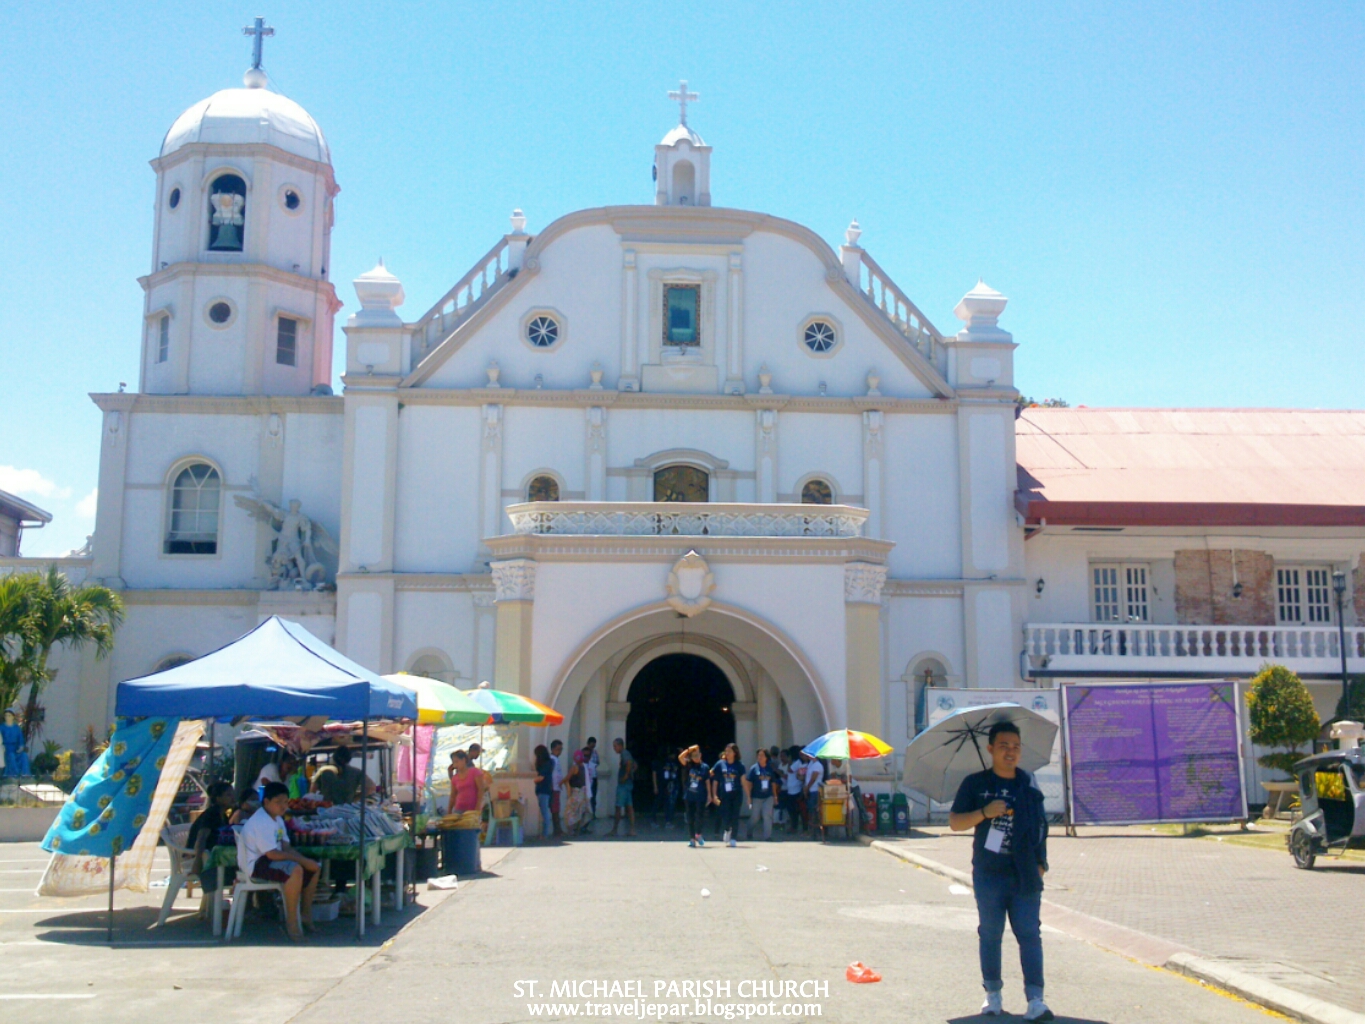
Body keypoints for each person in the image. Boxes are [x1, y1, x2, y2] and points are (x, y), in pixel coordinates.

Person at [949, 721, 1052, 1021]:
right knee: (991, 934)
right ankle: (992, 996)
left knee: (1030, 934)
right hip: (989, 874)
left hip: (1025, 873)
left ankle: (1036, 1000)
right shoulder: (975, 784)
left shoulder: (1028, 783)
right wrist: (984, 812)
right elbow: (955, 822)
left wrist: (1041, 863)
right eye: (1004, 746)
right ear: (991, 748)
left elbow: (1041, 827)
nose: (1011, 752)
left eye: (1016, 747)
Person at [241, 781, 319, 941]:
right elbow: (272, 854)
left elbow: (285, 846)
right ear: (266, 802)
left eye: (285, 802)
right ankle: (292, 923)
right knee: (295, 869)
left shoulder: (277, 819)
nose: (283, 806)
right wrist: (301, 861)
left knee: (315, 866)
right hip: (258, 864)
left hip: (271, 859)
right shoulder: (262, 820)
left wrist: (306, 861)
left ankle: (305, 914)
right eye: (278, 802)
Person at [189, 781, 237, 922]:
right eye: (228, 795)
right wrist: (197, 861)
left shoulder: (223, 815)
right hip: (201, 858)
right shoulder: (212, 815)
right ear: (218, 799)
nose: (233, 797)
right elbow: (201, 837)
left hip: (212, 857)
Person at [711, 743, 745, 847]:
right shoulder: (720, 763)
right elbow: (714, 778)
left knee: (735, 816)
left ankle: (733, 838)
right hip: (724, 794)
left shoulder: (739, 765)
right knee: (726, 816)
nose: (727, 753)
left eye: (729, 751)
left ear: (735, 753)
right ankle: (727, 829)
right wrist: (714, 795)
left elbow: (743, 781)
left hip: (736, 794)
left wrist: (748, 795)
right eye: (726, 751)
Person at [678, 745, 710, 847]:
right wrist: (689, 750)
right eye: (694, 755)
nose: (696, 757)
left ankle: (698, 834)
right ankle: (692, 838)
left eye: (697, 755)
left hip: (701, 795)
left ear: (701, 755)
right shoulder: (688, 765)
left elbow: (707, 781)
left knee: (700, 816)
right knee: (690, 817)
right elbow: (680, 758)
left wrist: (710, 795)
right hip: (689, 795)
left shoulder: (705, 767)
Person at [744, 747, 778, 841]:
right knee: (755, 817)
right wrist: (749, 797)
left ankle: (767, 836)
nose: (760, 757)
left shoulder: (769, 768)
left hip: (768, 796)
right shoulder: (754, 768)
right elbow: (749, 783)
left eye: (762, 755)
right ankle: (749, 831)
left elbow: (773, 783)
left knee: (767, 815)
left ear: (766, 757)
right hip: (756, 796)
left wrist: (775, 796)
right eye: (758, 755)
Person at [447, 749, 490, 815]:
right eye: (453, 762)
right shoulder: (455, 778)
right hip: (459, 809)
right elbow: (453, 795)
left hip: (473, 809)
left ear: (464, 760)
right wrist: (449, 811)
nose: (455, 765)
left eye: (456, 761)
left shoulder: (475, 772)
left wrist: (478, 807)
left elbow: (481, 790)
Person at [608, 738, 637, 837]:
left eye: (615, 746)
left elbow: (629, 763)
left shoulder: (624, 754)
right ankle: (632, 830)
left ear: (620, 745)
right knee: (629, 807)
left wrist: (625, 776)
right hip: (629, 784)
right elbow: (635, 765)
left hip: (624, 785)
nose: (614, 748)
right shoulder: (626, 753)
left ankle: (614, 829)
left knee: (618, 807)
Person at [564, 749, 592, 835]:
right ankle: (578, 830)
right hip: (582, 792)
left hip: (576, 792)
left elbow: (567, 778)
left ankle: (571, 830)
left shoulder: (575, 767)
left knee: (571, 811)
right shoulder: (584, 767)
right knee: (580, 811)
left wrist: (560, 782)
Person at [532, 744, 555, 840]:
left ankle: (544, 834)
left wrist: (534, 780)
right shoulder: (551, 762)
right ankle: (544, 833)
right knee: (545, 812)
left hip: (543, 789)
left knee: (544, 812)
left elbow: (541, 777)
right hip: (548, 788)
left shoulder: (545, 764)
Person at [1, 709, 30, 778]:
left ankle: (25, 774)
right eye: (6, 716)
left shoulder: (17, 728)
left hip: (16, 748)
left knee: (24, 755)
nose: (7, 717)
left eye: (9, 716)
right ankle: (14, 774)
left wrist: (21, 747)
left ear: (13, 717)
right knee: (11, 756)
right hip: (6, 748)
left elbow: (21, 740)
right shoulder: (1, 727)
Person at [802, 751, 825, 836]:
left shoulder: (817, 765)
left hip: (815, 790)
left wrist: (807, 787)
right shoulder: (811, 763)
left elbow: (813, 778)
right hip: (810, 790)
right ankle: (811, 830)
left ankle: (815, 832)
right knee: (810, 811)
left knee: (814, 811)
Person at [655, 752, 679, 828]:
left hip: (672, 785)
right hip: (666, 785)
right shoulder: (664, 764)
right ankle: (666, 820)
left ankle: (668, 821)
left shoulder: (675, 763)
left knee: (669, 804)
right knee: (665, 803)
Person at [549, 740, 566, 836]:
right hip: (553, 788)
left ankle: (557, 829)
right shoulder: (552, 760)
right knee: (555, 810)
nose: (559, 751)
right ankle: (557, 830)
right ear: (553, 749)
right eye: (557, 749)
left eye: (561, 749)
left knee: (556, 809)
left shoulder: (556, 759)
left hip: (557, 787)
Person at [583, 737, 600, 817]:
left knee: (593, 795)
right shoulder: (584, 752)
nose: (593, 746)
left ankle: (593, 813)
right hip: (586, 777)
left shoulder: (595, 753)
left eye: (594, 744)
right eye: (592, 744)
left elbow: (597, 762)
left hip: (593, 776)